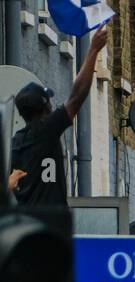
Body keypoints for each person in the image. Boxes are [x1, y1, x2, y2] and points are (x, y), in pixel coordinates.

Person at [10, 27, 108, 207]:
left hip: (25, 225)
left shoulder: (15, 144)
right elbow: (77, 96)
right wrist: (94, 49)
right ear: (45, 106)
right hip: (50, 225)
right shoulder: (46, 131)